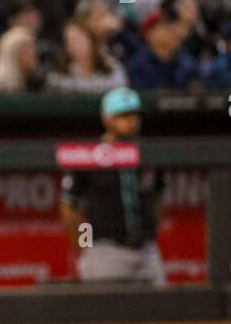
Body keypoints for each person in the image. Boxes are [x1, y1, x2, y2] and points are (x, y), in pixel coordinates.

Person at [61, 87, 166, 285]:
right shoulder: (90, 155)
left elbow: (158, 197)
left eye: (134, 115)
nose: (130, 121)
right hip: (106, 251)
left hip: (146, 251)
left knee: (164, 311)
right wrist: (85, 249)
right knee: (104, 314)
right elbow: (70, 209)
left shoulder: (149, 154)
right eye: (123, 115)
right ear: (107, 118)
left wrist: (150, 232)